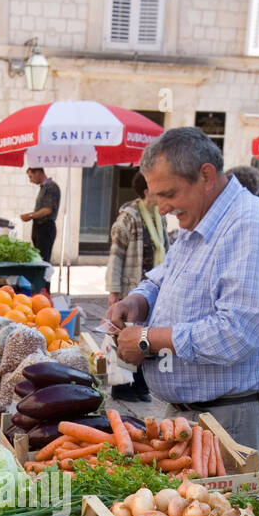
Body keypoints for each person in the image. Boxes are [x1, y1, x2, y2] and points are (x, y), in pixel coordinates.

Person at [104, 126, 259, 465]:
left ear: (206, 175)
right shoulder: (198, 223)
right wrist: (136, 301)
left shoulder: (250, 226)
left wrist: (148, 340)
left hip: (229, 417)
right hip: (193, 414)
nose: (161, 208)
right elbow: (163, 278)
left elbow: (238, 331)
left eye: (169, 194)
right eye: (156, 195)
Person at [105, 171, 170, 402]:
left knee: (145, 340)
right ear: (146, 191)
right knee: (124, 339)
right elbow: (116, 256)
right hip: (129, 288)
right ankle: (122, 388)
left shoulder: (159, 215)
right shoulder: (128, 217)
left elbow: (165, 246)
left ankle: (141, 386)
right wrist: (114, 292)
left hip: (153, 291)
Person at [20, 167, 60, 264]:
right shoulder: (44, 187)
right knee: (38, 259)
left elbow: (47, 209)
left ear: (38, 172)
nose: (30, 180)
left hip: (45, 227)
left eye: (31, 176)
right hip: (40, 227)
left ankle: (43, 279)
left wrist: (30, 216)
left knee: (42, 261)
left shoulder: (51, 187)